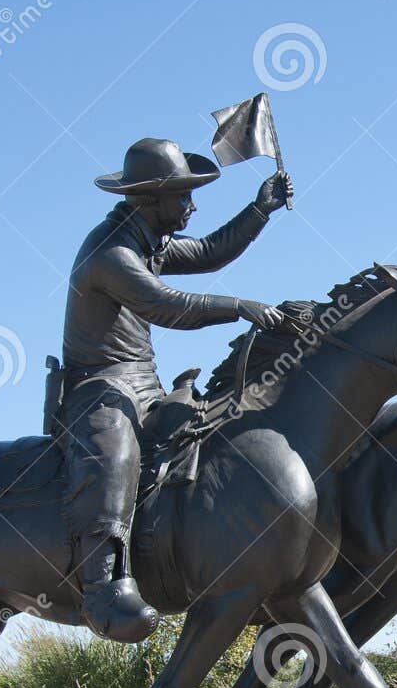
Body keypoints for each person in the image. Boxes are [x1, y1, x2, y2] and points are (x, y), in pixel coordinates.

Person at [60, 137, 292, 641]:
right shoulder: (112, 252)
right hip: (99, 389)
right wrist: (238, 307)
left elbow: (209, 252)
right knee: (115, 455)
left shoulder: (147, 242)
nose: (191, 204)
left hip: (144, 384)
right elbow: (165, 305)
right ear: (151, 200)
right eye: (183, 194)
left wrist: (260, 209)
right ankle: (102, 587)